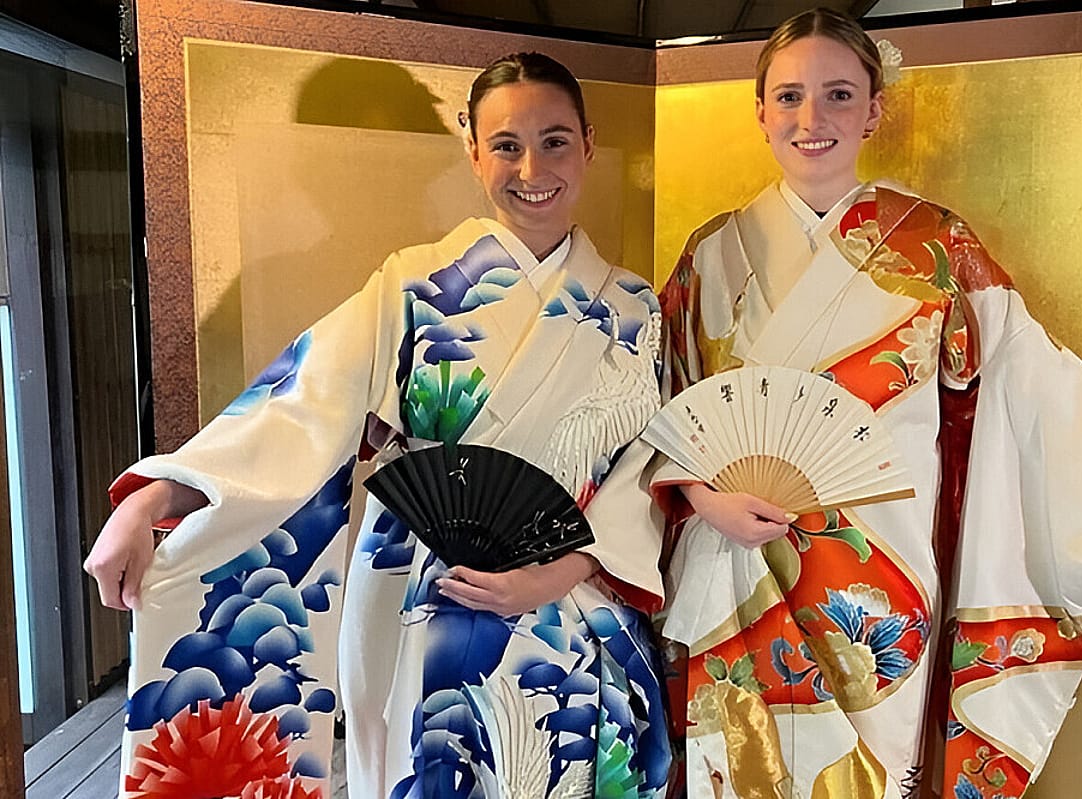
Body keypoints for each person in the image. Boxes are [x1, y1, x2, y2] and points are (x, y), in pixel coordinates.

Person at [85, 52, 671, 799]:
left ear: (588, 144)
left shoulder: (634, 309)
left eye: (555, 140)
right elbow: (301, 402)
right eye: (506, 145)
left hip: (570, 596)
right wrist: (155, 498)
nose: (533, 167)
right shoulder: (412, 285)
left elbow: (643, 470)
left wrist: (558, 571)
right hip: (422, 592)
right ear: (472, 151)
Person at [647, 9, 1082, 799]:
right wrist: (701, 494)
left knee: (866, 772)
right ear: (760, 110)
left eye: (839, 95)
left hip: (878, 572)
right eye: (791, 96)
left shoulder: (934, 243)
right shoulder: (710, 251)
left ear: (875, 109)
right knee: (737, 767)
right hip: (733, 551)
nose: (813, 119)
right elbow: (667, 406)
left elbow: (1033, 379)